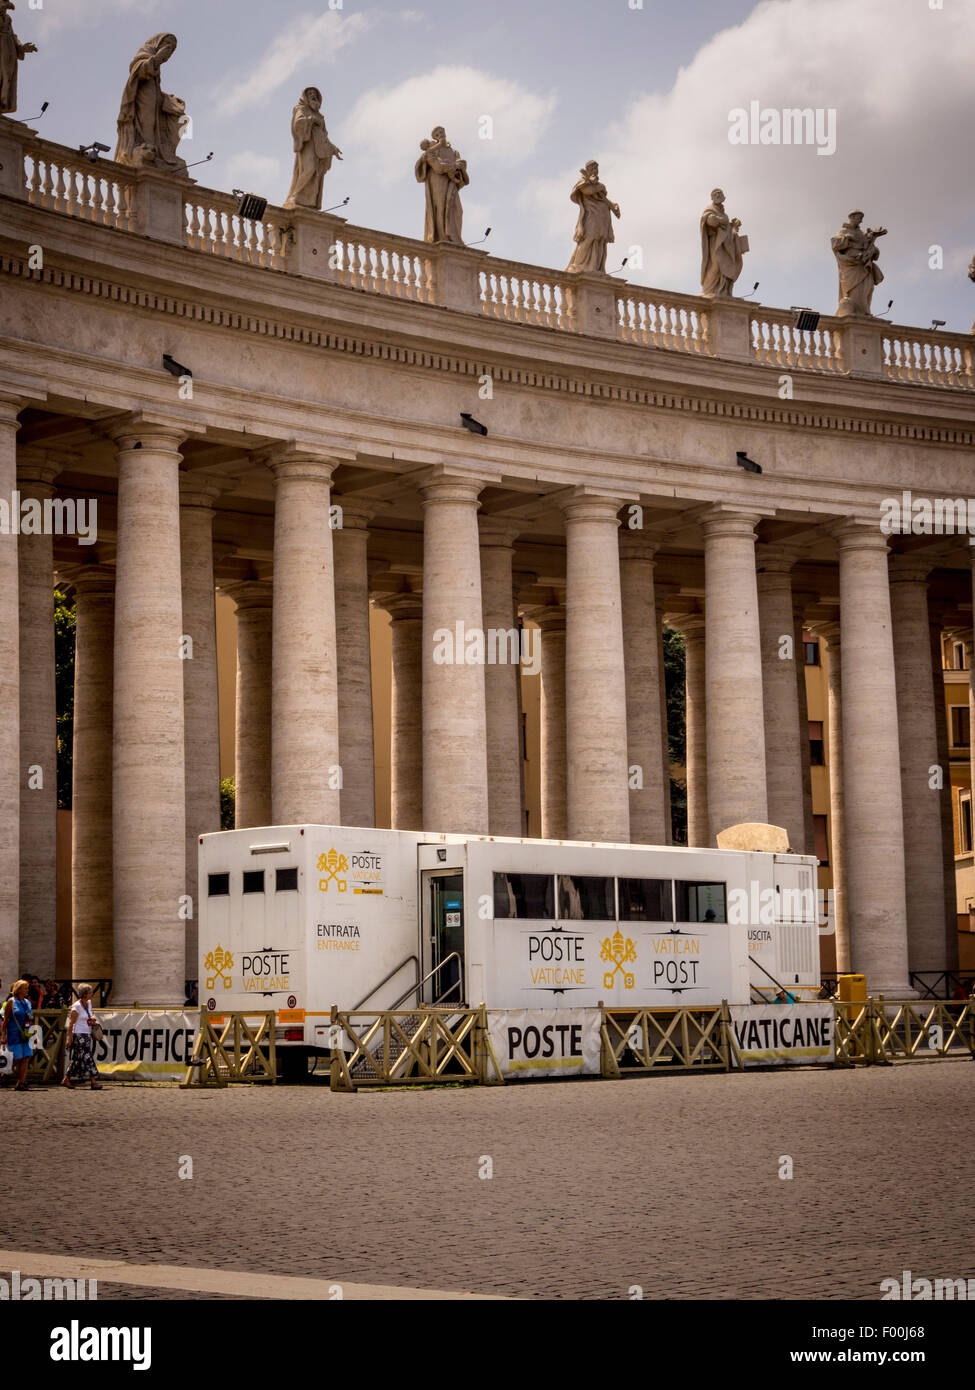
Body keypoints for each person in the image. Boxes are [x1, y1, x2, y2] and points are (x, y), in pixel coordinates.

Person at [283, 87, 342, 212]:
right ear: (305, 97)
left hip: (318, 148)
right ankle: (294, 195)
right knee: (309, 169)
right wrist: (311, 120)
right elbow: (297, 123)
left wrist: (332, 148)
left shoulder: (320, 117)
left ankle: (307, 201)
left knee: (315, 172)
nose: (312, 96)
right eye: (310, 94)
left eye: (315, 95)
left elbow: (324, 136)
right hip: (307, 144)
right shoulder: (301, 109)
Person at [566, 161, 620, 274]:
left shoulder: (598, 185)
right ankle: (578, 265)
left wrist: (613, 205)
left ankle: (596, 267)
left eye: (597, 168)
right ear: (588, 169)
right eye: (593, 168)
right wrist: (591, 182)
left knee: (600, 241)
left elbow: (603, 196)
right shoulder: (583, 183)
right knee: (589, 238)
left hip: (602, 216)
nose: (595, 171)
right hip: (590, 215)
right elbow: (588, 191)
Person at [62, 983, 103, 1090]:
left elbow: (90, 1014)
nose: (92, 994)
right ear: (84, 994)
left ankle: (66, 1078)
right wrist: (69, 1038)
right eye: (90, 992)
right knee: (87, 1056)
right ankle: (93, 1081)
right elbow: (71, 1023)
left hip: (87, 1032)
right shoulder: (76, 1006)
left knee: (77, 1058)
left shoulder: (88, 1003)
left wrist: (93, 1017)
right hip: (78, 1034)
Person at [2, 979, 34, 1090]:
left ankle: (21, 1082)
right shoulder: (11, 1002)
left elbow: (31, 1019)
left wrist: (33, 1034)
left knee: (25, 1057)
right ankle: (3, 1073)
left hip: (26, 1033)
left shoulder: (27, 1002)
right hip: (14, 1033)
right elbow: (5, 1020)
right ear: (19, 989)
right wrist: (3, 1036)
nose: (27, 990)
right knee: (17, 1058)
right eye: (25, 988)